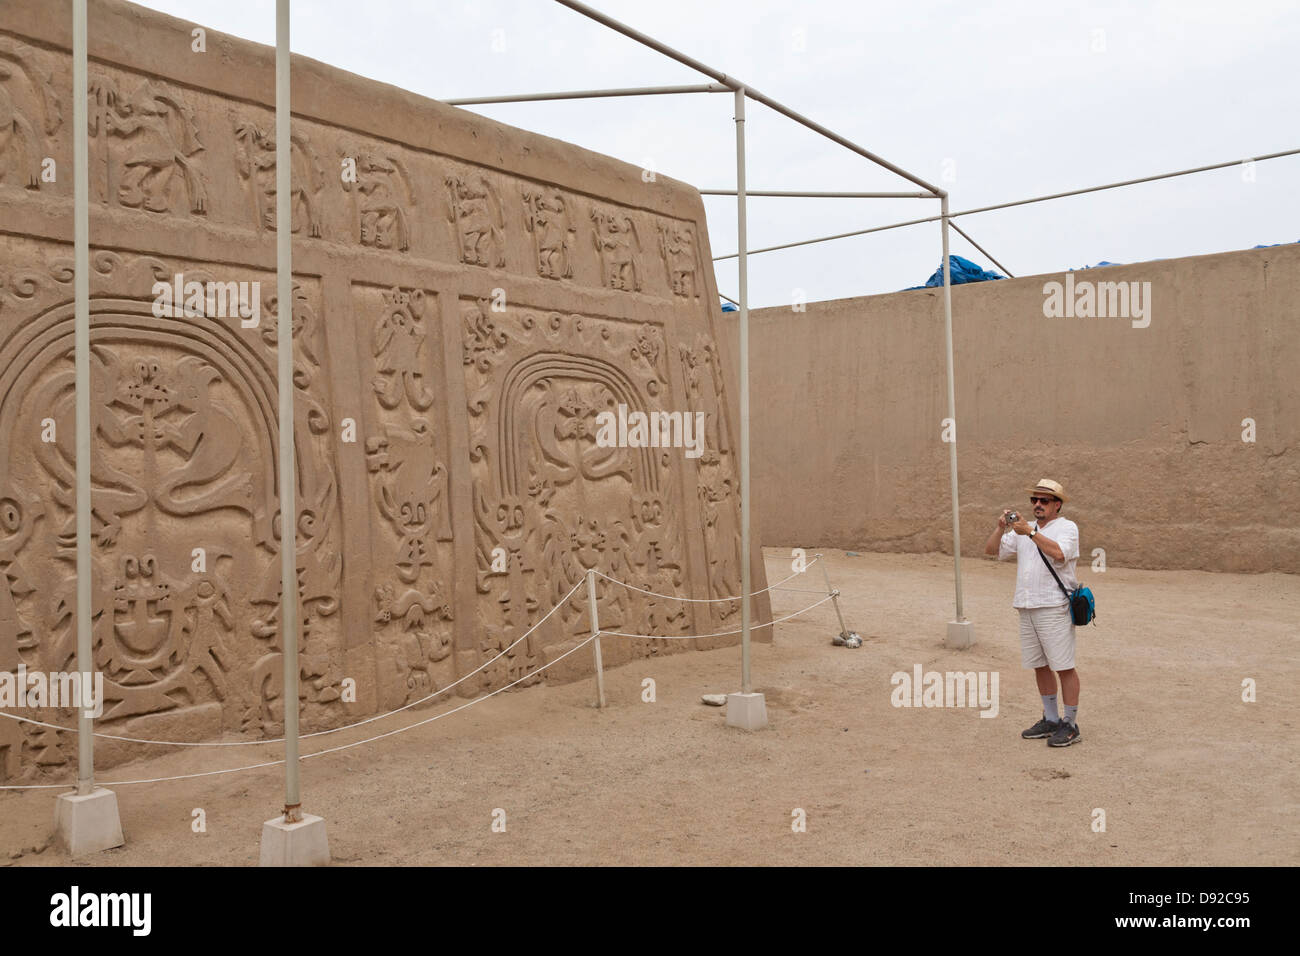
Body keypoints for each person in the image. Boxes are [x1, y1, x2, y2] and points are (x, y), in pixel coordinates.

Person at [982, 478, 1082, 747]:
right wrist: (1000, 528)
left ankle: (1070, 723)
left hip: (1054, 606)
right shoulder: (1023, 530)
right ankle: (1050, 719)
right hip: (1026, 605)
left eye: (1044, 501)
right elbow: (992, 551)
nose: (1038, 505)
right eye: (1034, 500)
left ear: (1057, 505)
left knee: (1063, 666)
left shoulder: (1067, 528)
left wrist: (1029, 532)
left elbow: (1060, 554)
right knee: (1039, 665)